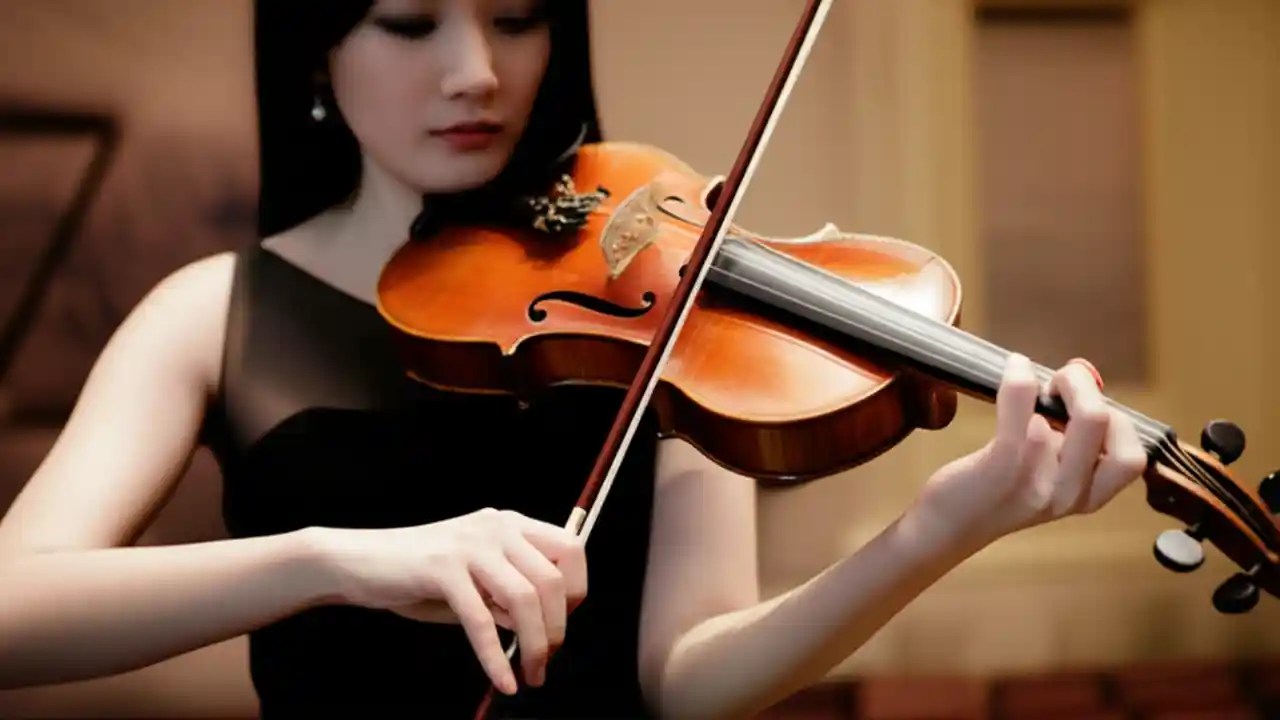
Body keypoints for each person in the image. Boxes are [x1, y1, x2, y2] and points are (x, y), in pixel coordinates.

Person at [0, 1, 1149, 717]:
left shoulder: (653, 289)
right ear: (316, 46)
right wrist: (330, 562)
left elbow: (691, 676)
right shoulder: (212, 315)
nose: (477, 71)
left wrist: (939, 528)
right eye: (410, 22)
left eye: (517, 16)